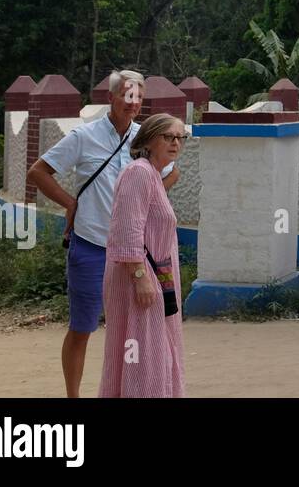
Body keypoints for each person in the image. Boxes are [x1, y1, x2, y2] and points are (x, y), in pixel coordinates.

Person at [25, 69, 179, 398]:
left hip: (137, 255)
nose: (132, 102)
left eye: (138, 96)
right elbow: (38, 172)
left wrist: (149, 203)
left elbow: (172, 171)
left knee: (132, 330)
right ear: (110, 97)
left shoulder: (144, 140)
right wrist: (72, 204)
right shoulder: (85, 137)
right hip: (93, 246)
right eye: (126, 94)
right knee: (83, 328)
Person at [98, 113, 187, 398]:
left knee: (157, 350)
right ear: (148, 140)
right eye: (168, 137)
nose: (175, 143)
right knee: (142, 353)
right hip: (139, 278)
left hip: (157, 277)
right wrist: (140, 277)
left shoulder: (153, 176)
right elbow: (127, 227)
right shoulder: (139, 172)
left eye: (180, 138)